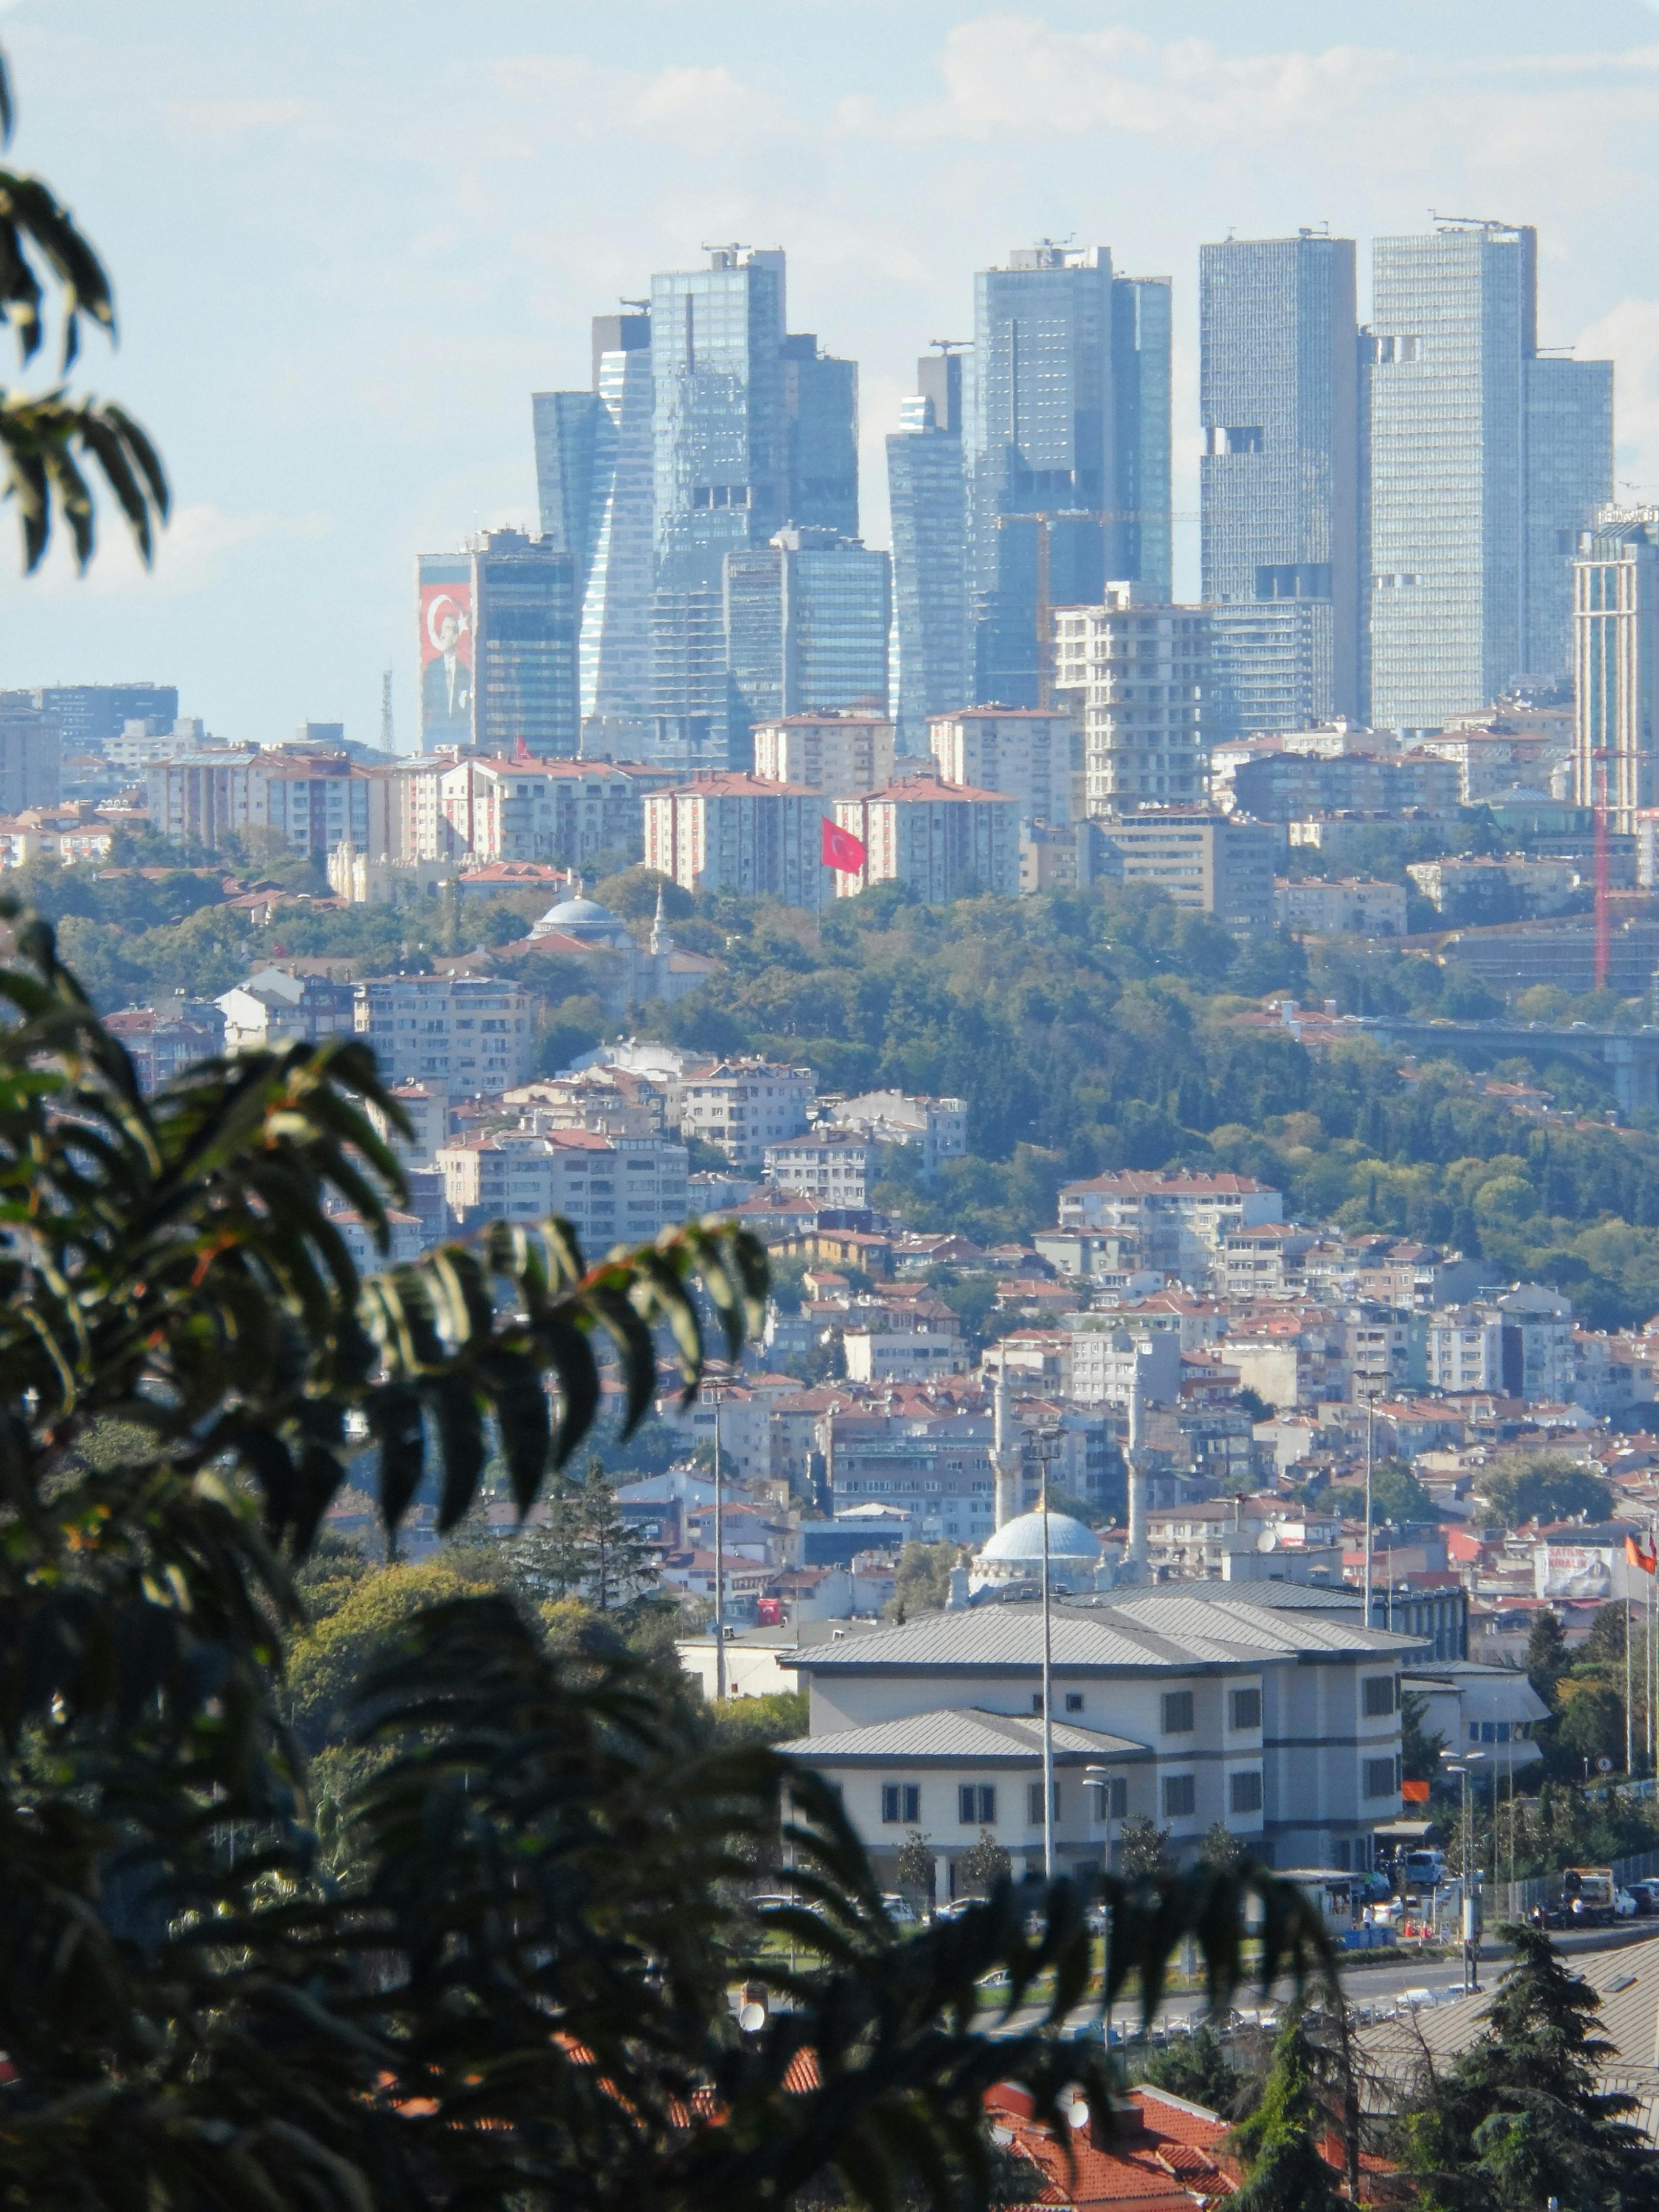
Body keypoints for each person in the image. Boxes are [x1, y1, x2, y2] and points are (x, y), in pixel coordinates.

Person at [422, 596, 472, 737]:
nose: (443, 634)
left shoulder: (465, 672)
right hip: (436, 735)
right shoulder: (432, 668)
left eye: (448, 629)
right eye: (443, 629)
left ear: (456, 637)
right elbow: (426, 705)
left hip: (460, 735)